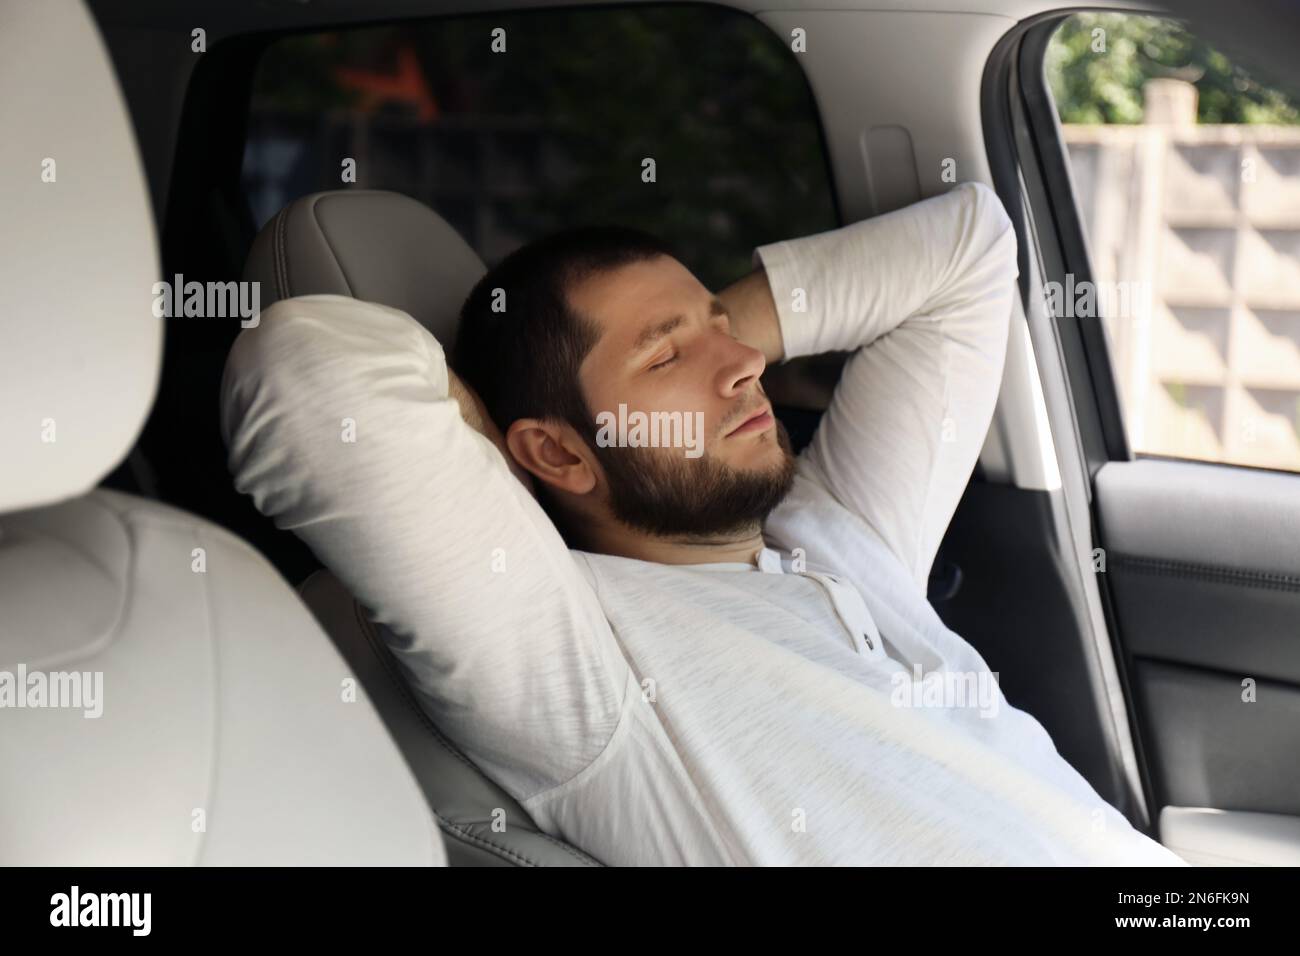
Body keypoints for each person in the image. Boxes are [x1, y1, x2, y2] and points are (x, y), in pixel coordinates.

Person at [222, 181, 1186, 865]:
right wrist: (487, 435)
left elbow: (968, 246)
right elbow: (302, 374)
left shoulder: (838, 535)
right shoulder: (576, 659)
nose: (742, 365)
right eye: (662, 355)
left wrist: (706, 345)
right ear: (556, 455)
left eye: (724, 326)